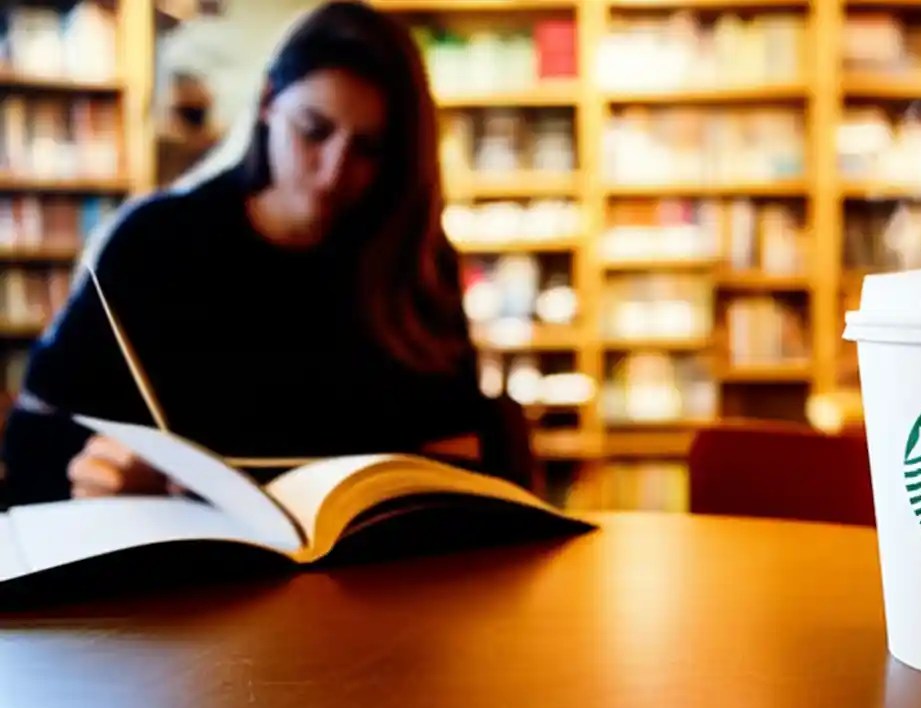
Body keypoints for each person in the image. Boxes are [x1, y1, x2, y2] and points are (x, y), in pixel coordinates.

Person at [0, 1, 532, 507]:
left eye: (368, 148)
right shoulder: (156, 243)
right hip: (189, 586)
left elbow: (460, 439)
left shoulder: (411, 257)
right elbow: (37, 434)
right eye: (314, 131)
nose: (333, 172)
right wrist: (101, 476)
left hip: (376, 585)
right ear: (268, 104)